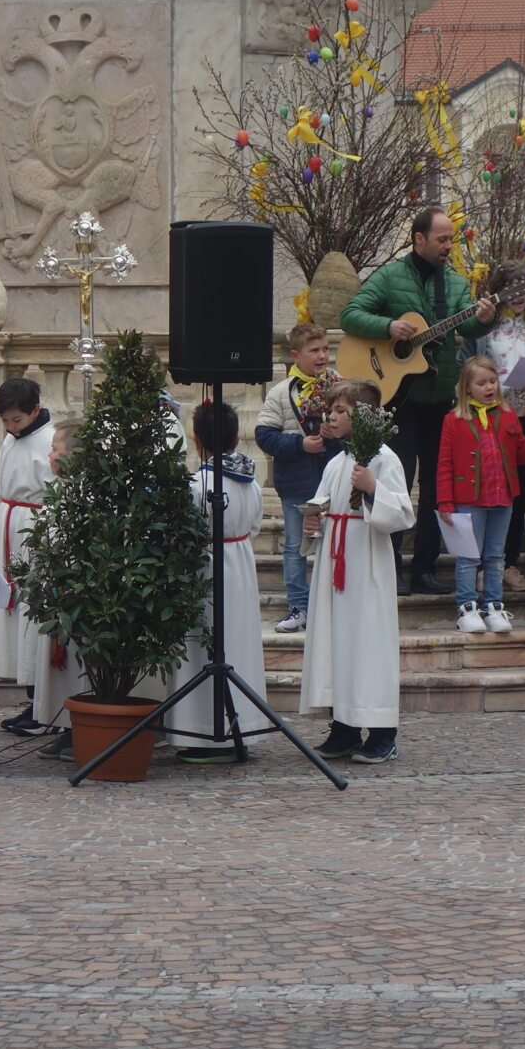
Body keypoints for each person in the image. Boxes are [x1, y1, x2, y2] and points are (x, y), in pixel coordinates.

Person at [339, 208, 495, 594]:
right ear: (419, 239)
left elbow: (468, 325)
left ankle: (425, 569)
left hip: (440, 399)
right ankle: (391, 567)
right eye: (442, 239)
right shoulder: (390, 276)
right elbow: (350, 315)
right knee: (397, 482)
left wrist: (485, 319)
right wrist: (388, 327)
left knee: (437, 488)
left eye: (450, 239)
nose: (448, 246)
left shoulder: (455, 282)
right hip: (399, 403)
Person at [299, 379, 414, 764]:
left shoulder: (383, 458)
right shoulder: (337, 461)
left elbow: (402, 514)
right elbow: (324, 505)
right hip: (335, 565)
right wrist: (313, 522)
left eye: (340, 410)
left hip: (366, 564)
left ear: (363, 416)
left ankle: (382, 733)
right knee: (338, 644)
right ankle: (344, 728)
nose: (331, 416)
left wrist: (372, 488)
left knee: (368, 643)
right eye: (330, 409)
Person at [164, 401, 266, 763]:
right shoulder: (251, 483)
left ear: (196, 441)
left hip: (205, 568)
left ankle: (204, 731)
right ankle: (242, 726)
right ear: (236, 439)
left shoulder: (197, 485)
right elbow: (254, 527)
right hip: (240, 564)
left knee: (202, 647)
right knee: (238, 644)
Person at [456, 262, 525, 593]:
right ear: (498, 291)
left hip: (523, 420)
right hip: (488, 419)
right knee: (484, 493)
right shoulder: (484, 329)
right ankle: (480, 567)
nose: (519, 294)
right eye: (512, 287)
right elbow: (464, 367)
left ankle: (508, 564)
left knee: (517, 495)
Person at [436, 357, 525, 634]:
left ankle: (494, 606)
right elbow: (445, 463)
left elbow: (521, 456)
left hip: (502, 498)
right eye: (481, 383)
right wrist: (445, 501)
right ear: (467, 387)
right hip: (468, 499)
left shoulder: (508, 415)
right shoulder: (453, 420)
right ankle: (467, 607)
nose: (489, 387)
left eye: (493, 381)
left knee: (496, 556)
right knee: (468, 557)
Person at [0, 377, 56, 734]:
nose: (10, 427)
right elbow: (6, 485)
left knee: (32, 619)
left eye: (16, 420)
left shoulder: (52, 441)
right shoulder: (11, 439)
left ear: (35, 410)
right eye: (5, 421)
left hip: (34, 534)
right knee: (13, 618)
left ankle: (43, 705)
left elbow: (55, 492)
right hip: (8, 531)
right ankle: (32, 702)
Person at [255, 322, 342, 632]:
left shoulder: (339, 385)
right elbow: (264, 435)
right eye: (314, 350)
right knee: (295, 546)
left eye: (325, 349)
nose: (322, 356)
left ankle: (332, 605)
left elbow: (357, 428)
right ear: (296, 355)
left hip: (334, 482)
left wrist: (337, 433)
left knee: (335, 543)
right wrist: (300, 444)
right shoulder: (281, 392)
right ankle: (299, 606)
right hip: (297, 482)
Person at [31, 419, 85, 763]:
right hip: (56, 586)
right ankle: (67, 726)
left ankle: (80, 728)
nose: (49, 455)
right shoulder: (59, 490)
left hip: (75, 589)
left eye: (54, 449)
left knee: (78, 665)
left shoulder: (82, 495)